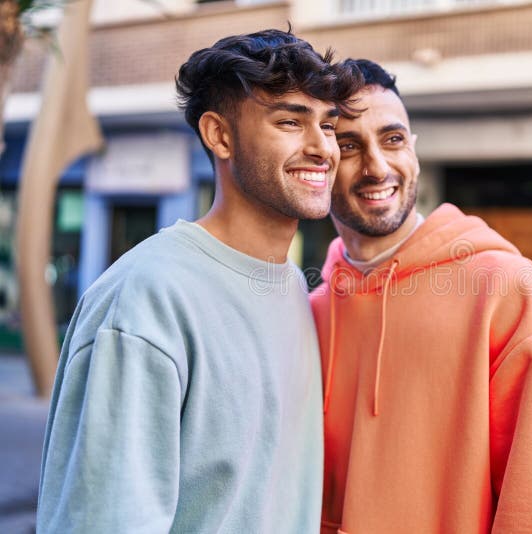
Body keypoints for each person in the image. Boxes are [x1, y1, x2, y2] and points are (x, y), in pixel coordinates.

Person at [37, 30, 362, 533]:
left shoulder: (293, 285)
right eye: (290, 122)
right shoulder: (147, 297)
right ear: (220, 135)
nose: (323, 147)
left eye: (327, 123)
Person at [310, 59, 532, 533]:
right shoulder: (313, 312)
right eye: (349, 146)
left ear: (415, 151)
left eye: (393, 139)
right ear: (320, 162)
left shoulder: (505, 290)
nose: (378, 166)